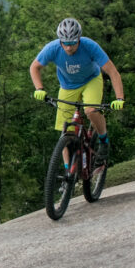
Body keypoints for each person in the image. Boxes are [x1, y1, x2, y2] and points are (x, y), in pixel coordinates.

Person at [30, 17, 125, 164]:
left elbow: (113, 72)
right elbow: (34, 67)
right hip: (68, 86)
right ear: (60, 40)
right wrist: (39, 88)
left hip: (91, 81)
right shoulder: (52, 48)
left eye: (73, 43)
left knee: (90, 111)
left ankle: (103, 140)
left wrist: (119, 98)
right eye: (65, 43)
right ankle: (68, 174)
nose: (69, 47)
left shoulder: (90, 46)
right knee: (65, 130)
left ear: (79, 39)